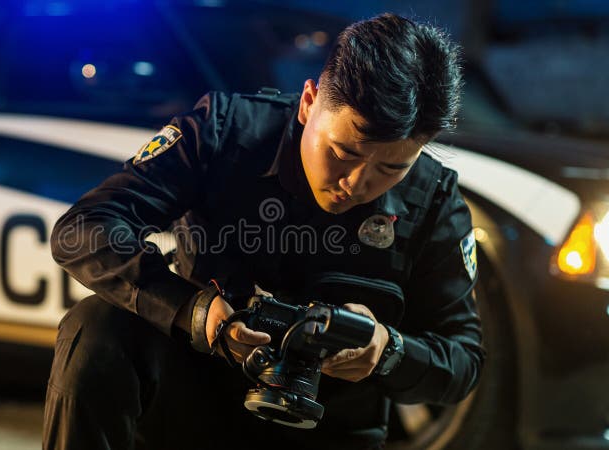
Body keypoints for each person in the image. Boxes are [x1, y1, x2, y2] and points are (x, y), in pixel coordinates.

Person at [43, 13, 485, 450]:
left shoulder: (433, 200)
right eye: (343, 153)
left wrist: (388, 350)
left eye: (390, 169)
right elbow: (83, 228)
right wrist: (192, 310)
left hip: (327, 430)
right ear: (309, 101)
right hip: (191, 407)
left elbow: (463, 360)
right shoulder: (225, 133)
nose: (356, 183)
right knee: (97, 326)